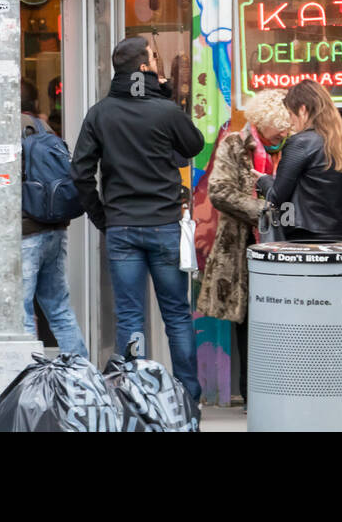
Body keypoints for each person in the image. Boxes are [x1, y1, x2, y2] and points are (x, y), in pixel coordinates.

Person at [72, 36, 205, 404]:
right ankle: (187, 401)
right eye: (154, 59)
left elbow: (80, 173)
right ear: (144, 68)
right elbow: (194, 145)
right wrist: (163, 98)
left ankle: (135, 399)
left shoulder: (100, 113)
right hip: (164, 225)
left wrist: (103, 217)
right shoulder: (165, 111)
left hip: (122, 228)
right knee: (176, 315)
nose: (159, 64)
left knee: (130, 318)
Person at [195, 89, 294, 406]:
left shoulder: (292, 148)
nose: (284, 132)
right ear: (263, 123)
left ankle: (282, 386)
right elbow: (220, 192)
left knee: (283, 319)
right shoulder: (234, 145)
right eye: (279, 126)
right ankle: (254, 394)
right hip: (243, 246)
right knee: (250, 321)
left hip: (284, 245)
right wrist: (265, 211)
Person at [20, 79, 90, 357]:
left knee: (20, 311)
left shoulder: (3, 130)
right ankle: (82, 375)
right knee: (58, 306)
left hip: (25, 231)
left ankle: (28, 380)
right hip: (54, 228)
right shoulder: (44, 128)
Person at [256, 79, 342, 241]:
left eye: (290, 114)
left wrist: (264, 180)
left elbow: (277, 197)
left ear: (302, 110)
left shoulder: (300, 143)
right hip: (337, 236)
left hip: (303, 239)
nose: (291, 121)